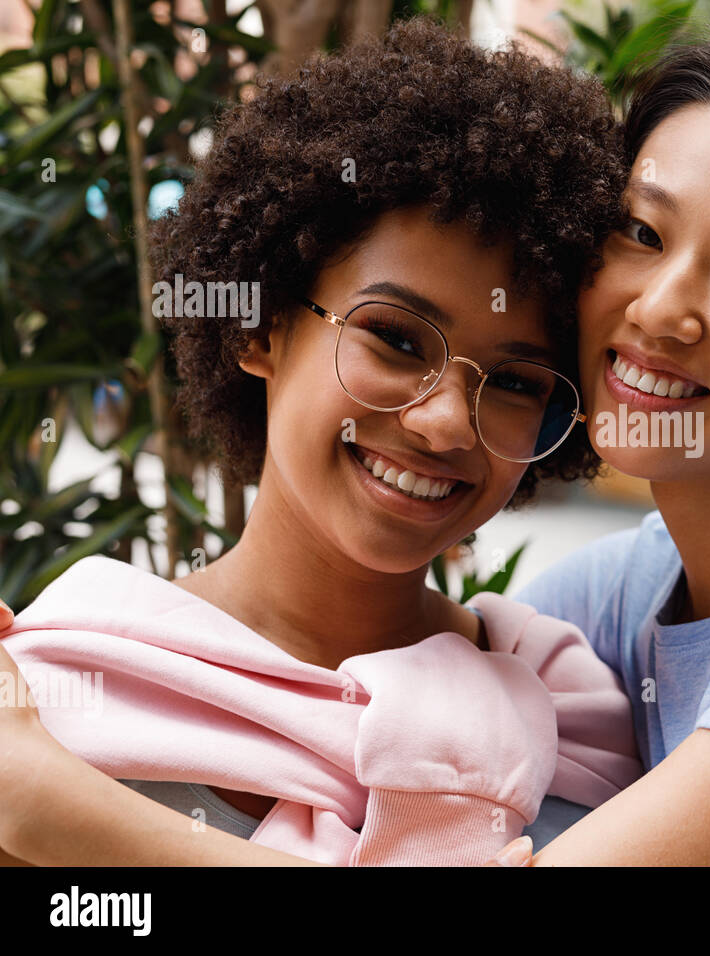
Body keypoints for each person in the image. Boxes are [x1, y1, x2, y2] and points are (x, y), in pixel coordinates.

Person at [2, 32, 710, 867]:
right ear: (261, 326)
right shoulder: (604, 612)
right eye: (644, 234)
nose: (661, 309)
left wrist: (43, 802)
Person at [0, 17, 640, 867]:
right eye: (395, 338)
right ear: (260, 326)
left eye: (517, 382)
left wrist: (62, 817)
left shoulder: (573, 712)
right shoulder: (60, 696)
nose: (444, 421)